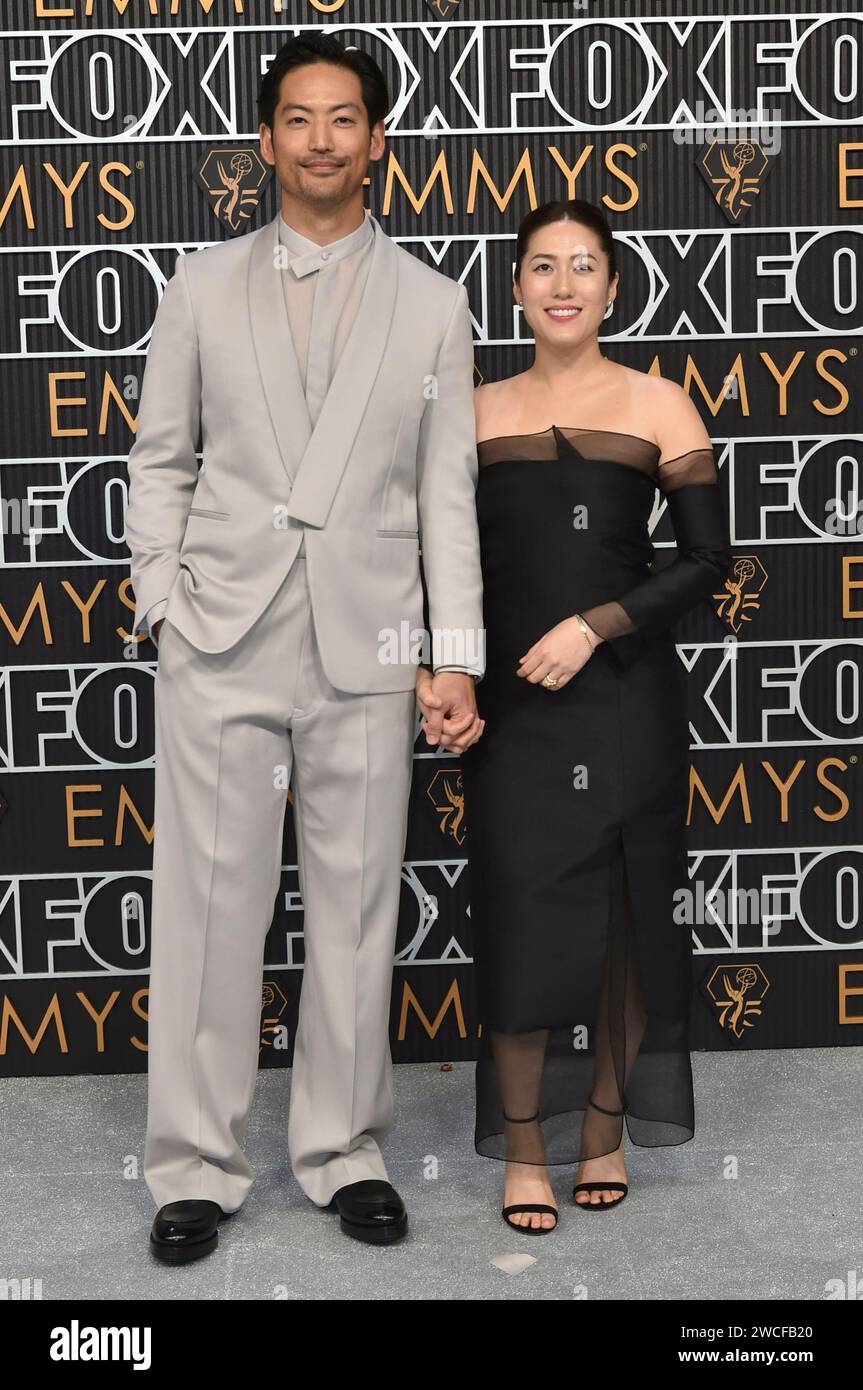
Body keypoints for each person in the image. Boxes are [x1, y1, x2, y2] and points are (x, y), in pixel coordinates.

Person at [125, 31, 485, 1263]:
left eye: (344, 118)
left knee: (352, 913)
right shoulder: (198, 285)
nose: (321, 139)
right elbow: (158, 458)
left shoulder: (435, 304)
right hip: (219, 633)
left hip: (371, 643)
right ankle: (193, 1165)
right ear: (266, 140)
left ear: (375, 139)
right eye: (298, 118)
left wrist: (454, 655)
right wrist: (161, 598)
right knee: (210, 909)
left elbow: (448, 497)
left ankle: (343, 1152)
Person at [417, 198, 732, 1234]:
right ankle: (519, 1147)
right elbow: (431, 562)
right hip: (509, 704)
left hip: (623, 697)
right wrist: (442, 665)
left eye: (582, 266)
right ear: (513, 287)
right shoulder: (464, 408)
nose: (561, 285)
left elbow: (701, 562)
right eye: (541, 267)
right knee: (514, 915)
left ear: (611, 286)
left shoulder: (660, 405)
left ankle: (600, 1128)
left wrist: (592, 625)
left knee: (626, 924)